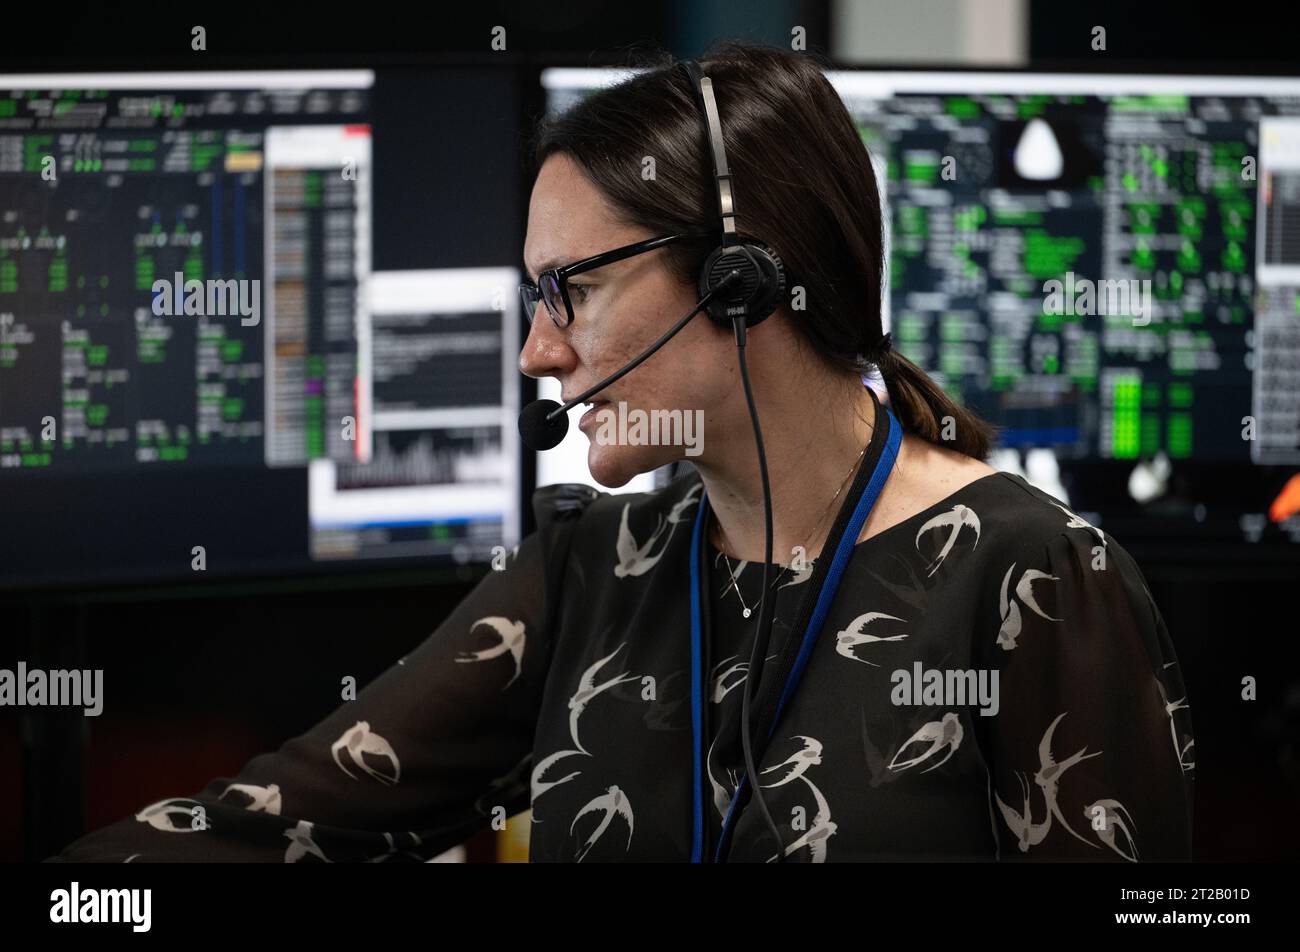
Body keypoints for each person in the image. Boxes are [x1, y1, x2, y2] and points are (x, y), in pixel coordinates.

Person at [51, 42, 1193, 863]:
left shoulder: (1034, 573)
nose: (537, 353)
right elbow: (276, 820)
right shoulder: (595, 569)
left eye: (571, 292)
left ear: (743, 279)